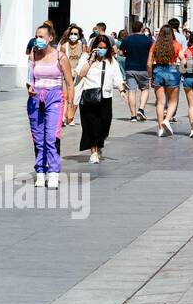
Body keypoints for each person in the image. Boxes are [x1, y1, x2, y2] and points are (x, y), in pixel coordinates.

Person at [26, 24, 73, 188]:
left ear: (50, 38)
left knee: (51, 137)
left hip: (54, 97)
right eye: (36, 36)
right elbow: (29, 79)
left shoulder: (60, 57)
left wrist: (70, 107)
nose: (38, 40)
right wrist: (30, 88)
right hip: (35, 98)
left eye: (41, 36)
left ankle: (53, 173)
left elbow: (69, 83)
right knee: (38, 138)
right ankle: (40, 172)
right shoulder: (33, 55)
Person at [74, 34, 127, 164]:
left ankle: (99, 145)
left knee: (104, 125)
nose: (101, 50)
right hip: (89, 97)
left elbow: (118, 77)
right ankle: (94, 152)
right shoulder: (86, 58)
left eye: (104, 47)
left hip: (105, 96)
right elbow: (81, 73)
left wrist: (122, 91)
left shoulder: (111, 61)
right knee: (92, 126)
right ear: (94, 47)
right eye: (99, 47)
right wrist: (91, 59)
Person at [149, 25, 183, 137]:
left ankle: (160, 128)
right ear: (172, 34)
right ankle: (167, 120)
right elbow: (183, 59)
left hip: (158, 71)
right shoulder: (176, 45)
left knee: (160, 102)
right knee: (173, 101)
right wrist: (183, 71)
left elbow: (149, 63)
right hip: (172, 70)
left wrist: (150, 76)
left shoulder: (155, 45)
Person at [119, 21, 154, 121]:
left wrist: (128, 55)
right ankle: (141, 109)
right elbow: (151, 53)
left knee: (131, 91)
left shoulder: (127, 39)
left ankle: (133, 115)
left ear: (132, 28)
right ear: (142, 28)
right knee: (145, 89)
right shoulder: (147, 40)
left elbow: (120, 52)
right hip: (143, 68)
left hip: (130, 68)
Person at [60, 24, 86, 127]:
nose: (73, 35)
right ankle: (62, 118)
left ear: (79, 35)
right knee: (65, 96)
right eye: (71, 33)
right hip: (66, 75)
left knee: (75, 97)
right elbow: (60, 60)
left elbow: (84, 60)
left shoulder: (83, 46)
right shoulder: (64, 46)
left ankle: (70, 117)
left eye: (76, 34)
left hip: (78, 75)